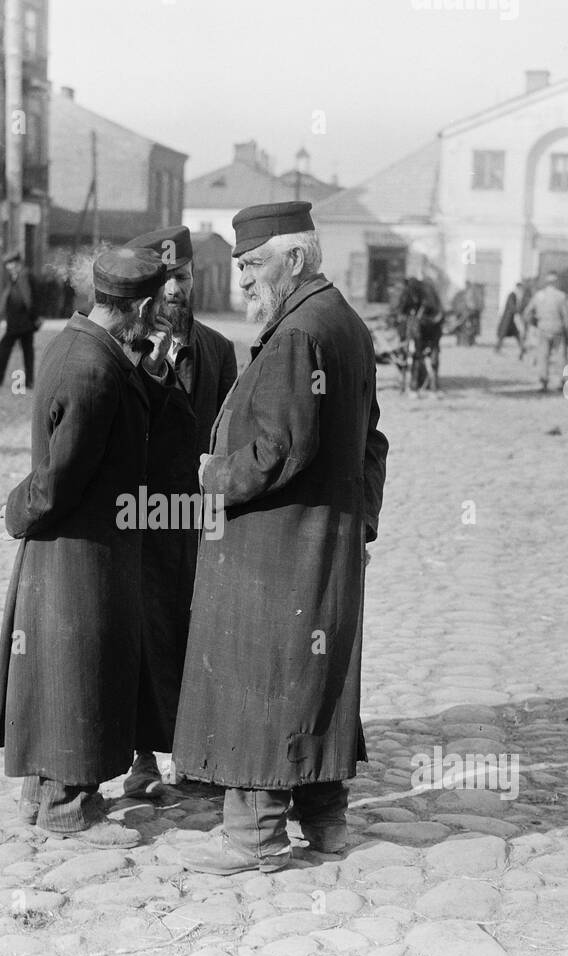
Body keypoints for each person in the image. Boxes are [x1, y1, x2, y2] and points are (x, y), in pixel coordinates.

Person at [170, 201, 390, 875]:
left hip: (278, 543)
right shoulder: (340, 320)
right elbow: (372, 438)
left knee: (262, 678)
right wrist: (362, 519)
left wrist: (215, 475)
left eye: (253, 264)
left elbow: (278, 450)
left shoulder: (299, 334)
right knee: (312, 674)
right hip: (325, 536)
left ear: (295, 259)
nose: (242, 281)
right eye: (239, 267)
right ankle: (325, 823)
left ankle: (254, 838)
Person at [0, 247, 170, 848]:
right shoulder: (93, 368)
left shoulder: (77, 344)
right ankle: (70, 809)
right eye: (153, 308)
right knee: (76, 673)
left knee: (55, 670)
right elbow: (62, 477)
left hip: (73, 543)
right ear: (140, 306)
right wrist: (16, 509)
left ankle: (42, 794)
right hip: (80, 548)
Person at [119, 225, 238, 799]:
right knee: (147, 630)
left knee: (199, 627)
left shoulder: (218, 350)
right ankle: (143, 757)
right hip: (143, 515)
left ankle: (195, 753)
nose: (174, 291)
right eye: (164, 281)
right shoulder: (125, 351)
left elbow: (229, 436)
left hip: (198, 520)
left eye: (183, 278)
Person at [0, 251, 41, 389]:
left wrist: (35, 316)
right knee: (27, 350)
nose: (9, 267)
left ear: (18, 263)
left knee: (6, 346)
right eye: (7, 264)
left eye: (11, 264)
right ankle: (29, 381)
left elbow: (31, 298)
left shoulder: (25, 276)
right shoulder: (15, 278)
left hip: (21, 322)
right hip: (20, 322)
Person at [526, 272, 568, 391]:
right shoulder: (561, 296)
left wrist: (536, 324)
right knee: (560, 356)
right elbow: (566, 316)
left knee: (543, 356)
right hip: (557, 329)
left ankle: (543, 382)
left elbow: (527, 313)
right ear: (556, 282)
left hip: (543, 328)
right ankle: (562, 382)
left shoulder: (539, 295)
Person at [494, 283, 524, 356]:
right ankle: (497, 348)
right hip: (507, 318)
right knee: (502, 334)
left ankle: (522, 348)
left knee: (516, 334)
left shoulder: (515, 295)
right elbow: (511, 306)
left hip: (510, 319)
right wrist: (518, 311)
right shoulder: (512, 295)